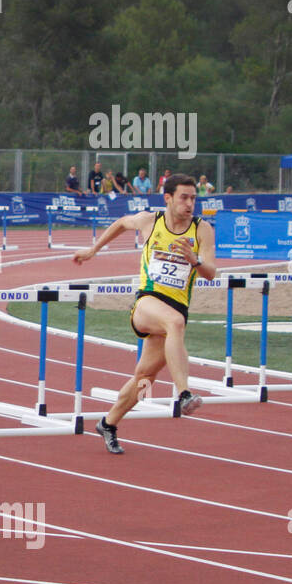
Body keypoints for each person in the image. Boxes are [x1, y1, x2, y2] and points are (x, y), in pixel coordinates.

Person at [73, 174, 215, 454]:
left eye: (194, 198)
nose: (190, 204)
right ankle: (184, 394)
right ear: (168, 198)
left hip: (176, 307)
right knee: (175, 323)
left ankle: (108, 423)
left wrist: (194, 260)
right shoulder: (150, 222)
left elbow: (210, 272)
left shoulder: (202, 230)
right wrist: (93, 250)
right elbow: (120, 223)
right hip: (147, 303)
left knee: (144, 378)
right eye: (184, 198)